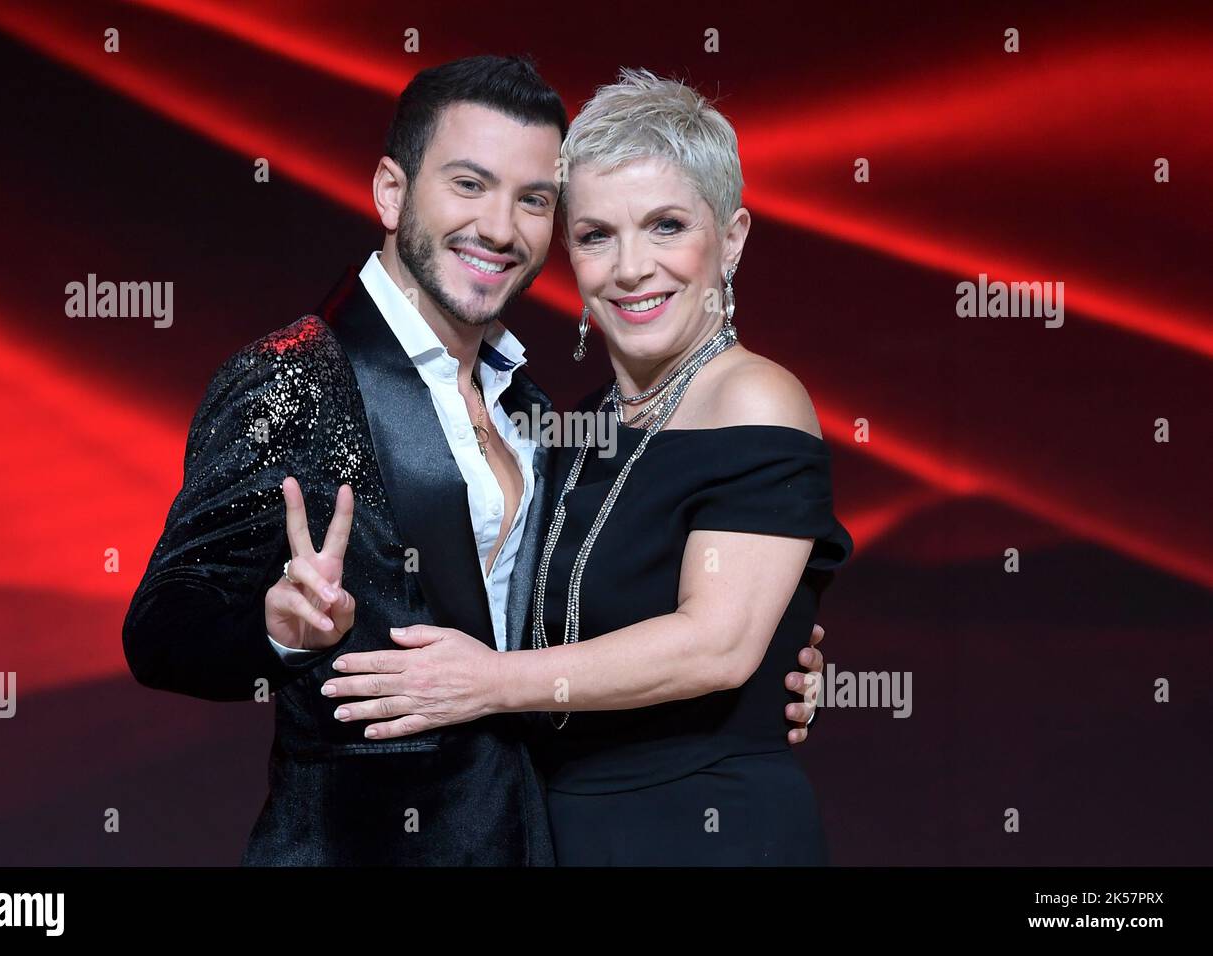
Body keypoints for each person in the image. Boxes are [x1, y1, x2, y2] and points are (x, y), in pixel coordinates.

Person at [123, 56, 828, 866]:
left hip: (538, 840)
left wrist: (771, 652)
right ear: (392, 193)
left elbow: (635, 608)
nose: (500, 227)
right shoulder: (295, 374)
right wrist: (277, 633)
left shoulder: (534, 411)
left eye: (532, 200)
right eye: (469, 184)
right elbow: (162, 631)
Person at [322, 69, 853, 865]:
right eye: (598, 234)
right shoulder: (567, 429)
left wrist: (491, 682)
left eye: (667, 226)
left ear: (733, 237)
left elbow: (716, 646)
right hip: (558, 831)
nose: (631, 268)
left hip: (707, 833)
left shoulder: (756, 399)